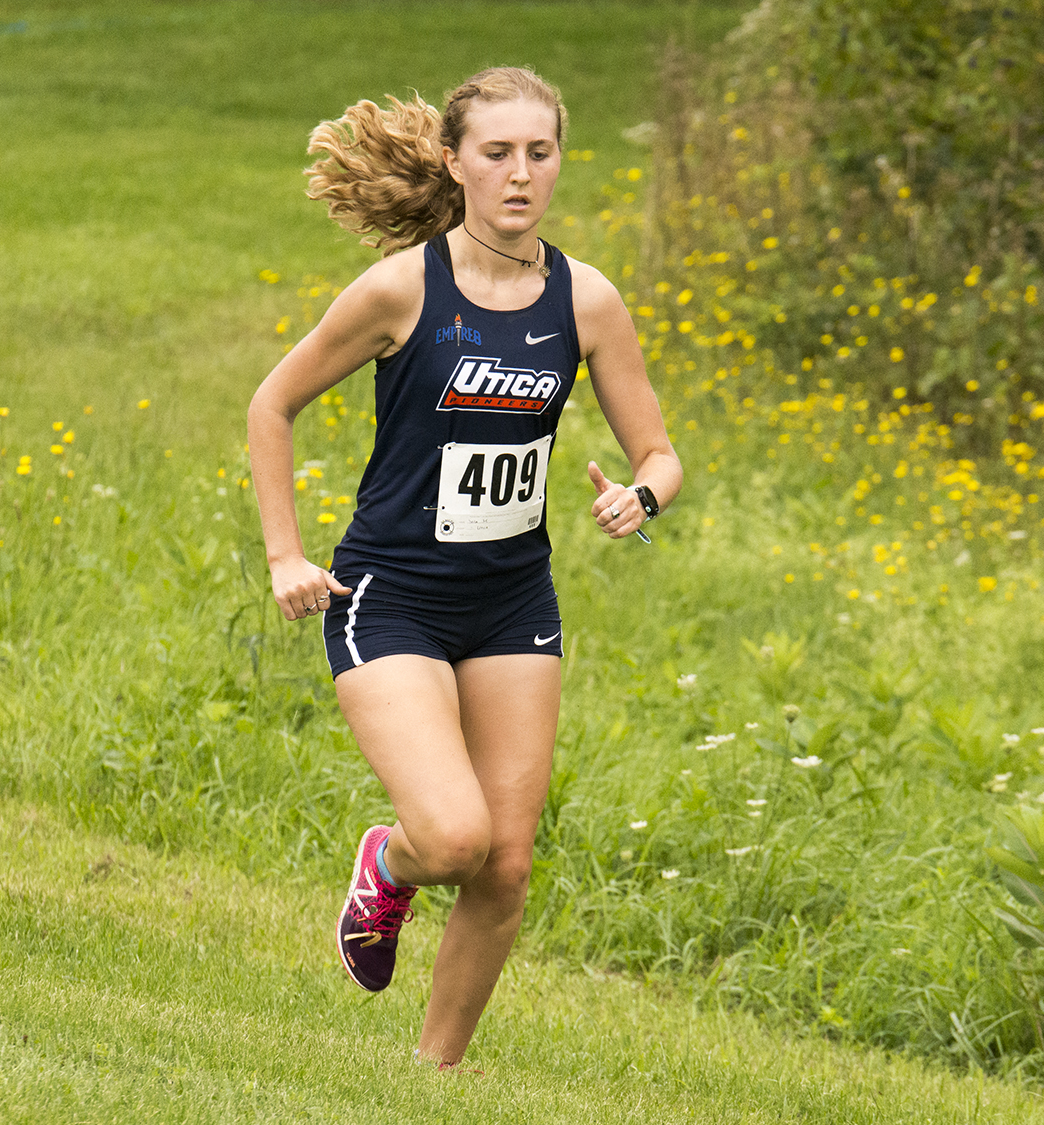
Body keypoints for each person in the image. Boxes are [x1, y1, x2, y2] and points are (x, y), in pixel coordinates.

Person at [246, 66, 681, 1069]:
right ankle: (385, 866)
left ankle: (430, 1078)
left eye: (539, 153)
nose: (520, 175)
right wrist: (284, 555)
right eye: (496, 154)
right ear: (454, 162)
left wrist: (637, 496)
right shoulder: (403, 288)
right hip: (387, 600)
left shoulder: (585, 300)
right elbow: (272, 404)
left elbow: (659, 454)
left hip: (511, 604)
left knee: (506, 865)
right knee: (449, 839)